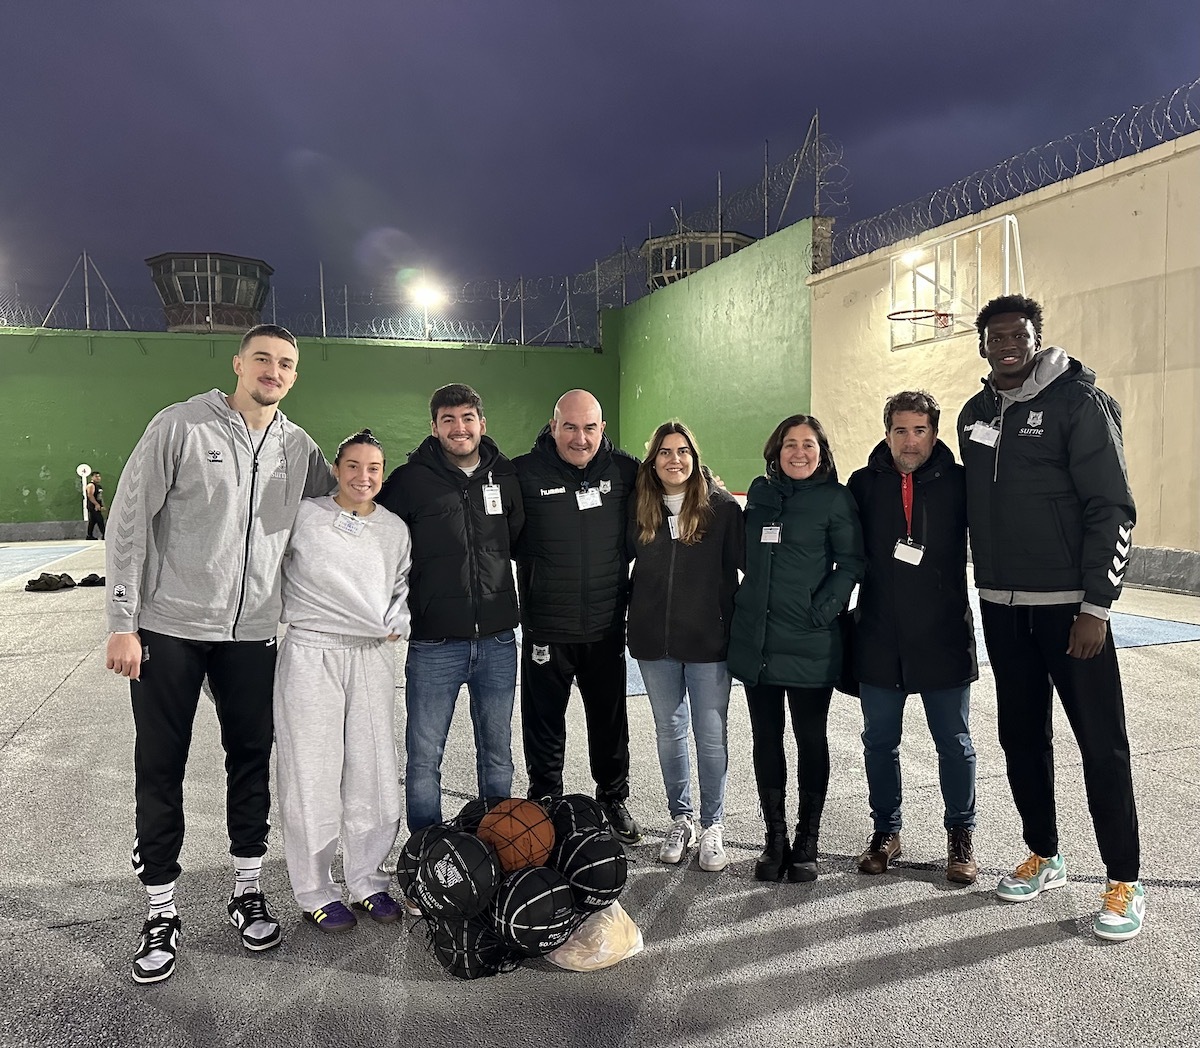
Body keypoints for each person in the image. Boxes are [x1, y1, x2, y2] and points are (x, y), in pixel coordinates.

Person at [105, 323, 334, 984]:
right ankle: (161, 908)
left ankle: (246, 888)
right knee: (161, 764)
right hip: (168, 628)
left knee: (251, 761)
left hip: (253, 635)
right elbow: (128, 521)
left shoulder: (300, 448)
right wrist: (123, 620)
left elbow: (336, 521)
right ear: (238, 364)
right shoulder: (180, 426)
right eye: (262, 358)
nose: (274, 370)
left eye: (285, 363)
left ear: (294, 376)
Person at [959, 293, 1144, 941]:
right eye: (995, 335)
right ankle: (1045, 853)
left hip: (1072, 614)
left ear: (1036, 338)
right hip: (1004, 611)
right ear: (981, 345)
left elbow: (1112, 508)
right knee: (1021, 740)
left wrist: (1097, 605)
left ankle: (1124, 879)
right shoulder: (974, 414)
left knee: (1101, 744)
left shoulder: (1077, 404)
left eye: (1018, 333)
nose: (1007, 343)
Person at [274, 429, 411, 933]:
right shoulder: (306, 516)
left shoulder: (394, 529)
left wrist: (399, 619)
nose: (363, 476)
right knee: (312, 773)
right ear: (337, 468)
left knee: (372, 771)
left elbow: (399, 589)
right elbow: (271, 571)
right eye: (353, 466)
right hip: (312, 654)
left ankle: (367, 880)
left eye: (373, 468)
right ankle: (314, 888)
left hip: (371, 657)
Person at [377, 384, 524, 835]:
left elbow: (514, 538)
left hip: (498, 641)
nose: (459, 428)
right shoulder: (408, 481)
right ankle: (426, 853)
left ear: (482, 423)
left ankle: (496, 846)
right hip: (434, 643)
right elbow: (381, 547)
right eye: (448, 420)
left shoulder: (505, 477)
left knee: (497, 752)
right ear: (434, 427)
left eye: (466, 418)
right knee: (424, 756)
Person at [846, 391, 978, 884]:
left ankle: (961, 835)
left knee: (955, 742)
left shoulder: (960, 483)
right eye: (900, 430)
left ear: (935, 433)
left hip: (943, 635)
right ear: (887, 433)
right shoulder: (863, 484)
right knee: (880, 741)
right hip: (879, 635)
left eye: (920, 430)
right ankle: (886, 832)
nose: (910, 441)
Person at [728, 414, 864, 882]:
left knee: (810, 739)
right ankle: (775, 839)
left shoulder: (835, 498)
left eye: (809, 445)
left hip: (810, 639)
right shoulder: (760, 495)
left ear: (822, 452)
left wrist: (822, 610)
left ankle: (807, 841)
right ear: (776, 450)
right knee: (766, 739)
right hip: (758, 641)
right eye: (790, 444)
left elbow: (850, 562)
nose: (799, 453)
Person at [512, 389, 642, 843]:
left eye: (589, 427)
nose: (580, 437)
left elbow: (676, 490)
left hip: (606, 625)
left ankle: (612, 798)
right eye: (570, 426)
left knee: (609, 722)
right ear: (553, 427)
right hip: (547, 627)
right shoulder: (523, 474)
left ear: (602, 429)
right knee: (543, 722)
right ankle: (545, 800)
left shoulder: (626, 472)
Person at [627, 422, 744, 872]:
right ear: (653, 460)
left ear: (694, 457)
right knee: (668, 731)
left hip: (708, 642)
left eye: (682, 452)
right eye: (665, 452)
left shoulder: (721, 508)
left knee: (710, 735)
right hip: (654, 642)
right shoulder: (641, 507)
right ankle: (682, 818)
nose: (674, 460)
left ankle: (713, 823)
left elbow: (747, 568)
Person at [85, 471, 105, 539]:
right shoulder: (91, 485)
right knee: (100, 520)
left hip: (97, 506)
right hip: (93, 506)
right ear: (92, 477)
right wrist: (96, 504)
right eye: (96, 476)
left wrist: (101, 505)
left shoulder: (99, 486)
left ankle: (89, 535)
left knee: (92, 521)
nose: (98, 478)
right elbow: (90, 495)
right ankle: (104, 535)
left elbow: (99, 497)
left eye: (99, 476)